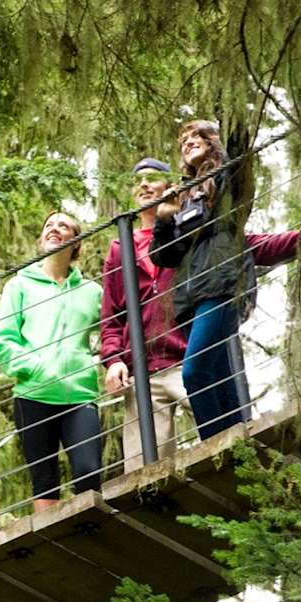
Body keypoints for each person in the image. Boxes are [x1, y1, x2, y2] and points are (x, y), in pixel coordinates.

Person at [151, 120, 301, 439]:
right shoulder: (181, 198)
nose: (188, 142)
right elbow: (163, 256)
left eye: (197, 137)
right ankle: (238, 445)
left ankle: (217, 448)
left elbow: (261, 241)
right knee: (220, 380)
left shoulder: (228, 181)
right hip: (188, 300)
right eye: (183, 140)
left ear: (214, 141)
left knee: (195, 371)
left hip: (224, 288)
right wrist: (163, 219)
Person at [0, 211, 104, 512]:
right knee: (45, 482)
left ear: (75, 242)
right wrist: (37, 368)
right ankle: (58, 547)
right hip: (33, 395)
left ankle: (90, 534)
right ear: (41, 238)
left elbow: (114, 332)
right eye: (49, 225)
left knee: (88, 470)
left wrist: (114, 363)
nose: (54, 229)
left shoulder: (92, 292)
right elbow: (3, 342)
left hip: (79, 395)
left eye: (63, 225)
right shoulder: (20, 286)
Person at [100, 159, 190, 473]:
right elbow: (111, 315)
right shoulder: (119, 247)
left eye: (153, 178)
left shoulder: (186, 228)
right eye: (138, 180)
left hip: (188, 357)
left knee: (225, 428)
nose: (144, 185)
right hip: (142, 370)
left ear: (169, 186)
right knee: (142, 472)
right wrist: (113, 360)